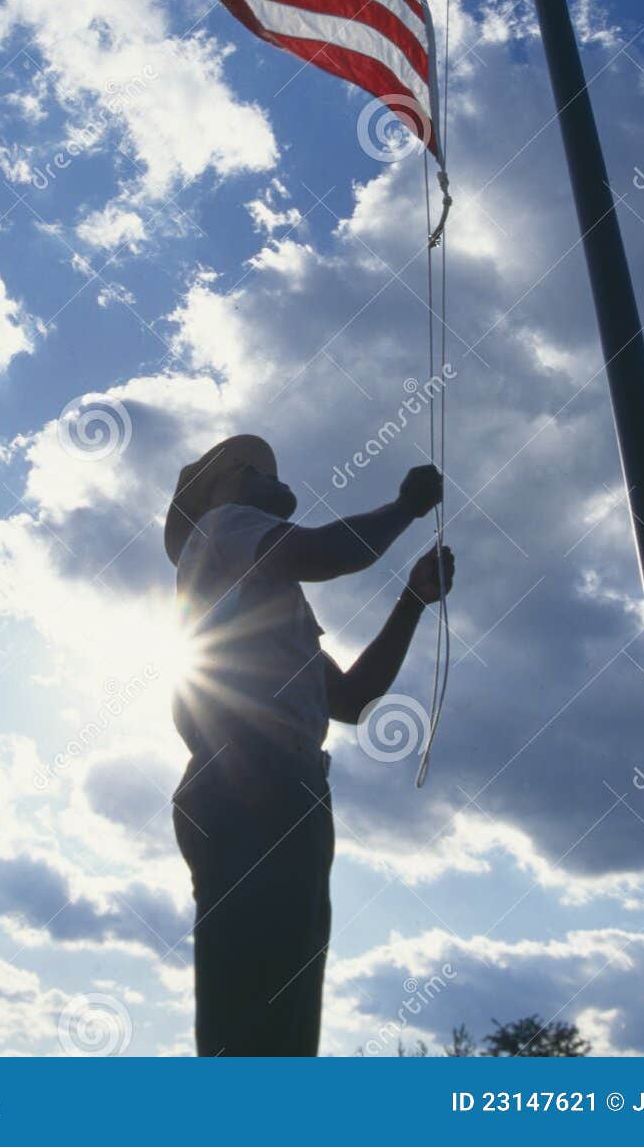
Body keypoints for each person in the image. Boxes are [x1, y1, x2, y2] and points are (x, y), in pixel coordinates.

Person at [165, 432, 453, 1058]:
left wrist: (413, 599)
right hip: (253, 784)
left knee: (278, 1016)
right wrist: (406, 507)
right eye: (250, 468)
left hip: (284, 792)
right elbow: (328, 551)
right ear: (219, 491)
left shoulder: (264, 591)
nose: (269, 477)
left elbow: (349, 701)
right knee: (259, 1012)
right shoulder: (220, 527)